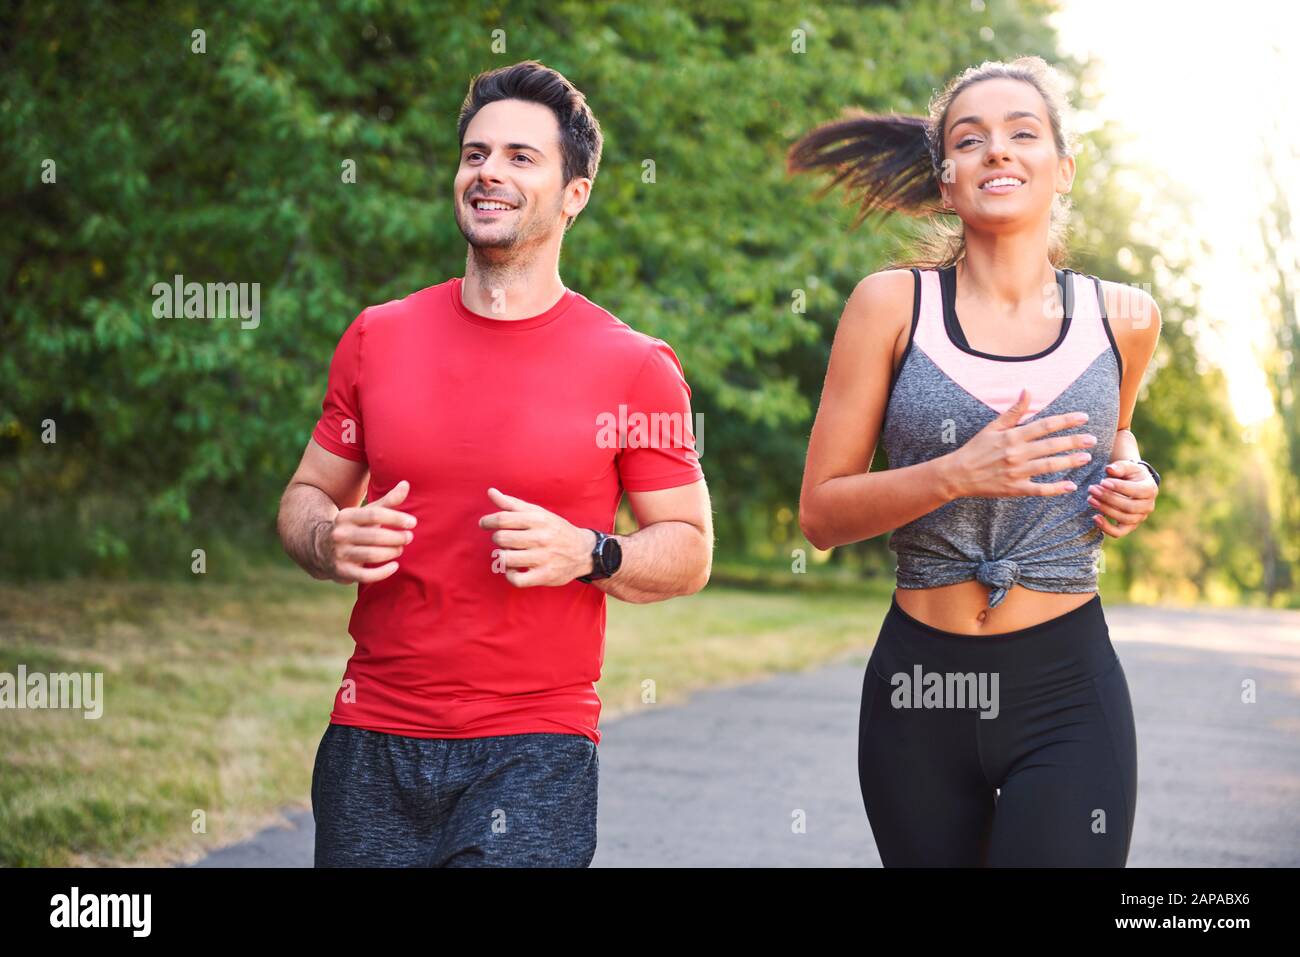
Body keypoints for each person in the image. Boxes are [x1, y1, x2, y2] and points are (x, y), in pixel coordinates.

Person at [276, 60, 712, 867]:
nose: (489, 173)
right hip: (372, 733)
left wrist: (591, 552)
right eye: (476, 153)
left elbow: (688, 549)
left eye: (520, 157)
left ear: (573, 194)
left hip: (534, 744)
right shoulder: (378, 336)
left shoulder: (635, 365)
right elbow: (305, 495)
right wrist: (326, 537)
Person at [790, 57, 1162, 866]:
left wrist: (1137, 478)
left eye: (1022, 133)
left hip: (1067, 688)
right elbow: (820, 513)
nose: (998, 150)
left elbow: (1119, 433)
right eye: (971, 139)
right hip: (919, 693)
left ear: (1062, 169)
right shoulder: (889, 306)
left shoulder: (1126, 318)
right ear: (947, 178)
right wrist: (959, 471)